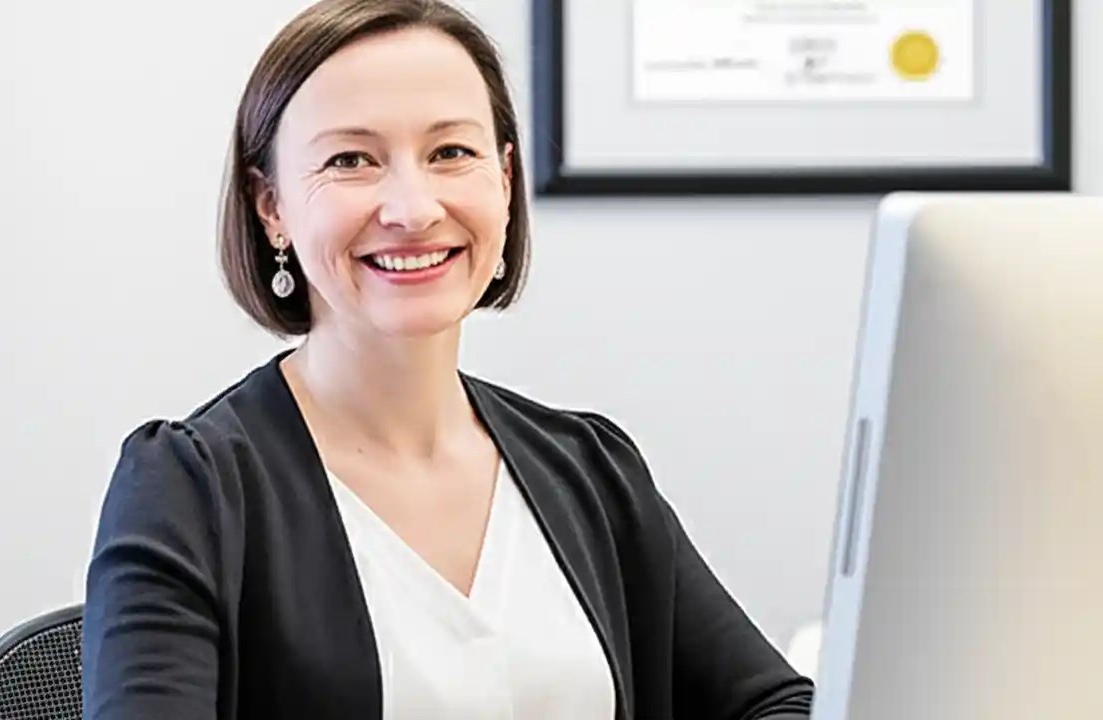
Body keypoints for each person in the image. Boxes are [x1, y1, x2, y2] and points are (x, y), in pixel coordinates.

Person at [80, 0, 816, 718]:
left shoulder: (590, 469)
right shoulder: (188, 489)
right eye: (351, 159)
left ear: (503, 178)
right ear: (270, 204)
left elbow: (775, 702)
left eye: (450, 153)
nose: (413, 208)